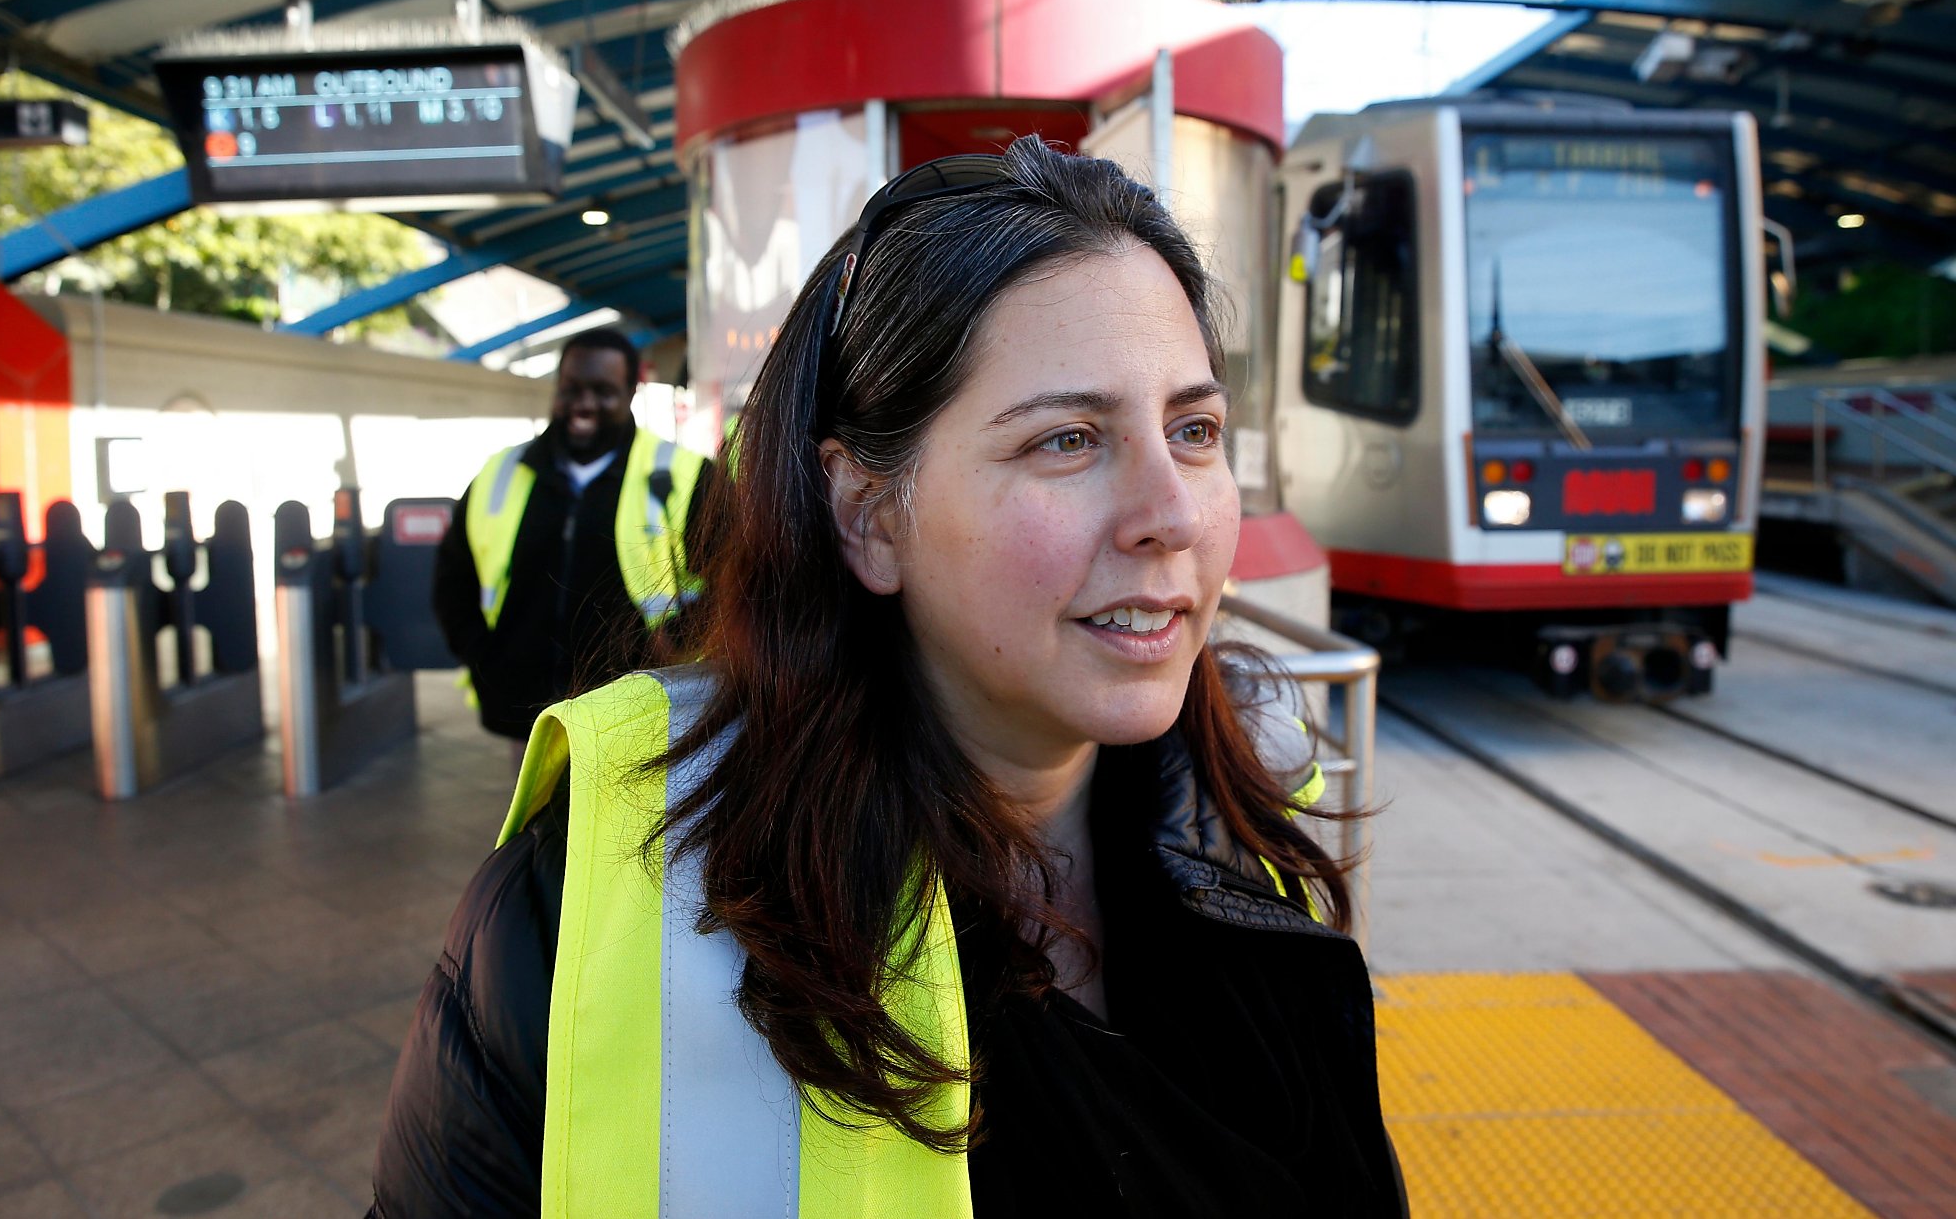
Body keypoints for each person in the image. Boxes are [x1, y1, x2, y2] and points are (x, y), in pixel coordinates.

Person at [374, 137, 1405, 1216]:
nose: (1174, 514)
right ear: (868, 514)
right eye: (1067, 439)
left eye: (1193, 429)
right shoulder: (578, 920)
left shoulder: (1249, 821)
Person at [431, 326, 718, 739]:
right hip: (525, 714)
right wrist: (485, 659)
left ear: (631, 392)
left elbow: (739, 579)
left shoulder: (685, 475)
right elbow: (452, 578)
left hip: (636, 721)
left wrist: (676, 642)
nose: (584, 404)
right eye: (571, 389)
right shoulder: (501, 473)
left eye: (603, 391)